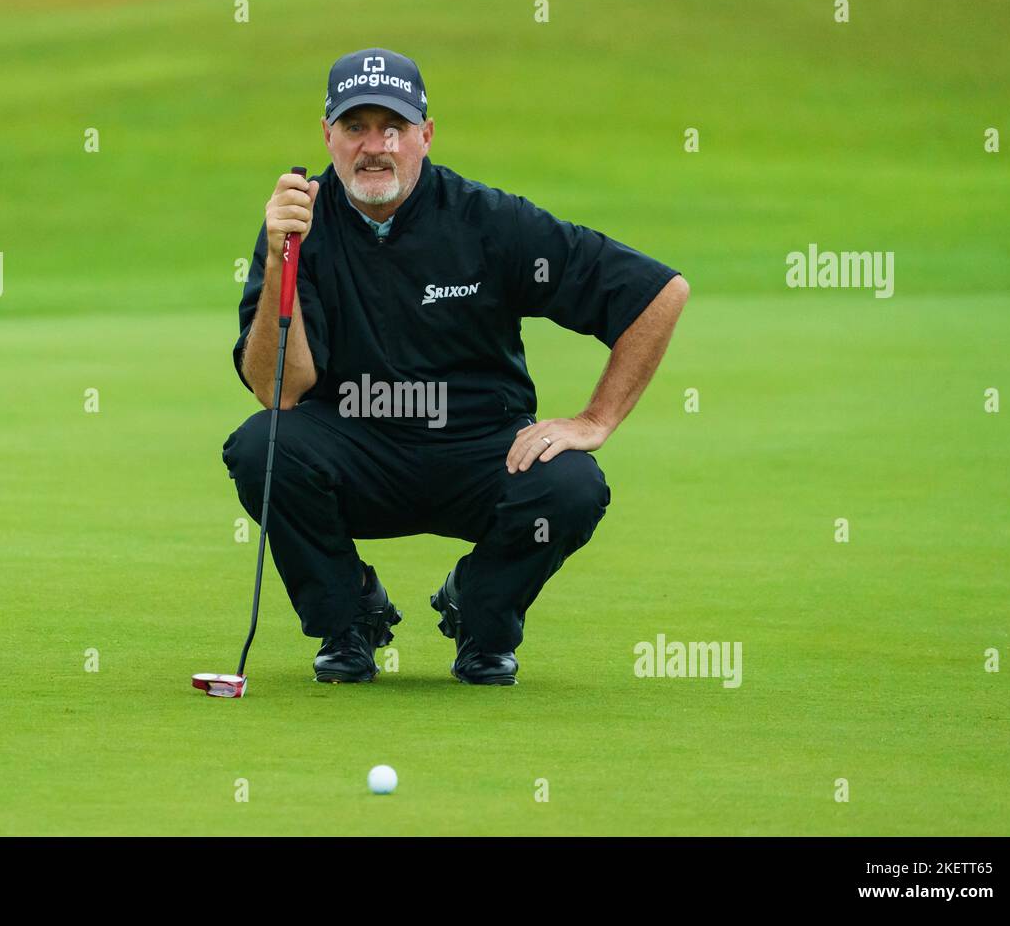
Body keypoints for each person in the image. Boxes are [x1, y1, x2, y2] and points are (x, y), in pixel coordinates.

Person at [224, 47, 689, 686]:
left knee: (573, 484)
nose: (375, 146)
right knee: (263, 448)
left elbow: (658, 292)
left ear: (426, 135)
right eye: (356, 127)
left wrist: (596, 418)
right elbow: (281, 391)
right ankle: (349, 618)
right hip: (356, 447)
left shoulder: (489, 221)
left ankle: (482, 617)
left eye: (393, 128)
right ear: (328, 135)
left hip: (479, 449)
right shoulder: (300, 225)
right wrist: (282, 259)